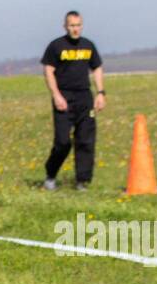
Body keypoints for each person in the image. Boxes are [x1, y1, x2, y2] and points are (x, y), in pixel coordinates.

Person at [41, 11, 107, 191]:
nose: (75, 29)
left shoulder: (88, 45)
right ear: (65, 26)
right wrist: (56, 95)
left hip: (84, 97)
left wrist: (101, 93)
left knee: (86, 140)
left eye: (78, 25)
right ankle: (50, 176)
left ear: (82, 26)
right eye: (71, 25)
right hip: (64, 97)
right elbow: (48, 71)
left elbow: (97, 68)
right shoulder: (56, 46)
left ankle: (82, 181)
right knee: (62, 142)